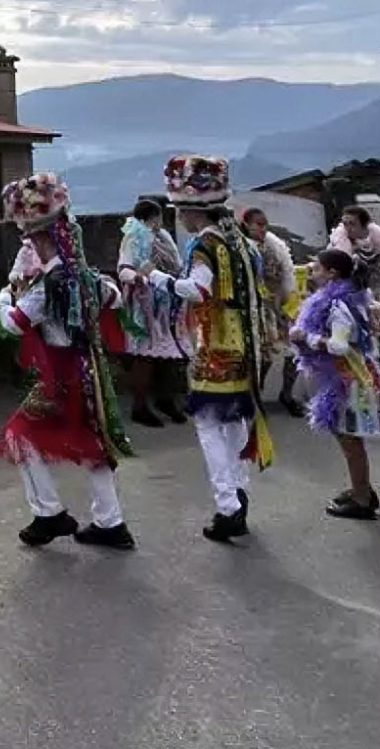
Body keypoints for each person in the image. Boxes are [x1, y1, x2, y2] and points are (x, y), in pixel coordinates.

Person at [0, 174, 136, 550]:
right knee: (93, 445)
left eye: (33, 240)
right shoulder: (87, 277)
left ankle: (48, 513)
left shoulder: (49, 284)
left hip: (60, 375)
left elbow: (13, 324)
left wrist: (4, 299)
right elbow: (115, 298)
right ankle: (110, 522)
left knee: (19, 434)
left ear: (44, 239)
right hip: (90, 369)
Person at [164, 155, 276, 544]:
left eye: (180, 210)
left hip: (216, 342)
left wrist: (158, 279)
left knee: (209, 424)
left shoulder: (205, 245)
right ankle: (238, 492)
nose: (179, 217)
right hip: (244, 341)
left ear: (192, 211)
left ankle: (227, 505)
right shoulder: (239, 241)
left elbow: (199, 289)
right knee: (233, 421)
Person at [292, 249, 380, 520]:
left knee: (350, 439)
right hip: (352, 375)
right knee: (349, 437)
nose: (312, 272)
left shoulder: (338, 304)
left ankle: (362, 499)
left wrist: (307, 337)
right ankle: (361, 488)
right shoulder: (353, 297)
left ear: (332, 273)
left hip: (350, 378)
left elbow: (339, 346)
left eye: (316, 268)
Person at [113, 199, 190, 427]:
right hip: (144, 304)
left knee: (170, 354)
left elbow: (176, 264)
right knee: (144, 356)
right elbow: (124, 268)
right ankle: (139, 406)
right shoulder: (133, 237)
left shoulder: (163, 237)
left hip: (167, 304)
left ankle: (166, 399)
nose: (159, 222)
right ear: (151, 217)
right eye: (157, 217)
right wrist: (138, 278)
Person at [242, 207, 304, 418]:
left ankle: (287, 394)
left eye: (265, 225)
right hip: (256, 308)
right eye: (258, 225)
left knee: (293, 351)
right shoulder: (242, 248)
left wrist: (288, 303)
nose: (263, 229)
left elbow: (287, 276)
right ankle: (254, 396)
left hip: (278, 305)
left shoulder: (275, 246)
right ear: (247, 225)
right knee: (264, 356)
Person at [331, 206, 380, 298]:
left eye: (352, 224)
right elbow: (343, 262)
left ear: (364, 224)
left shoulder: (376, 233)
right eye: (345, 224)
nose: (348, 228)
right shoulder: (341, 235)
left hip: (374, 273)